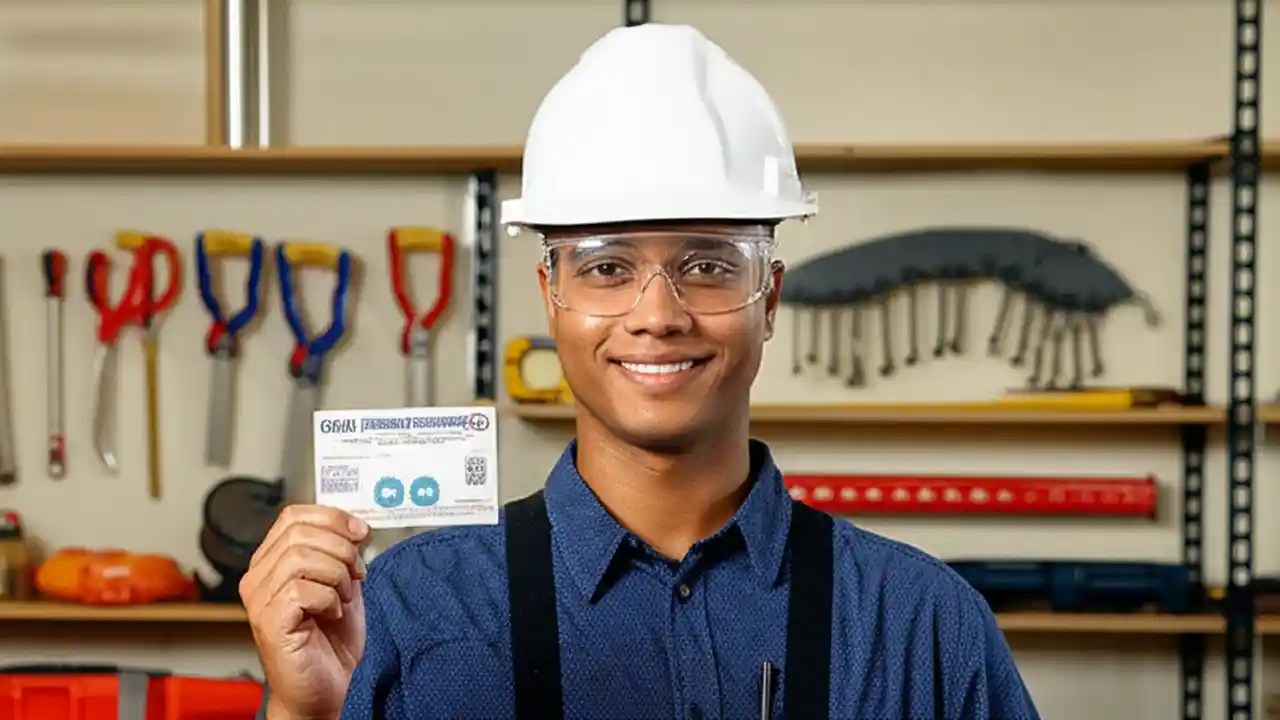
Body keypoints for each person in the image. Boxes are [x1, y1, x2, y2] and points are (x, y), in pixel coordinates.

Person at [241, 22, 1041, 720]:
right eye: (606, 267)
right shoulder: (406, 610)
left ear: (771, 298)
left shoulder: (921, 627)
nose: (657, 315)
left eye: (707, 264)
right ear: (550, 297)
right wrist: (304, 715)